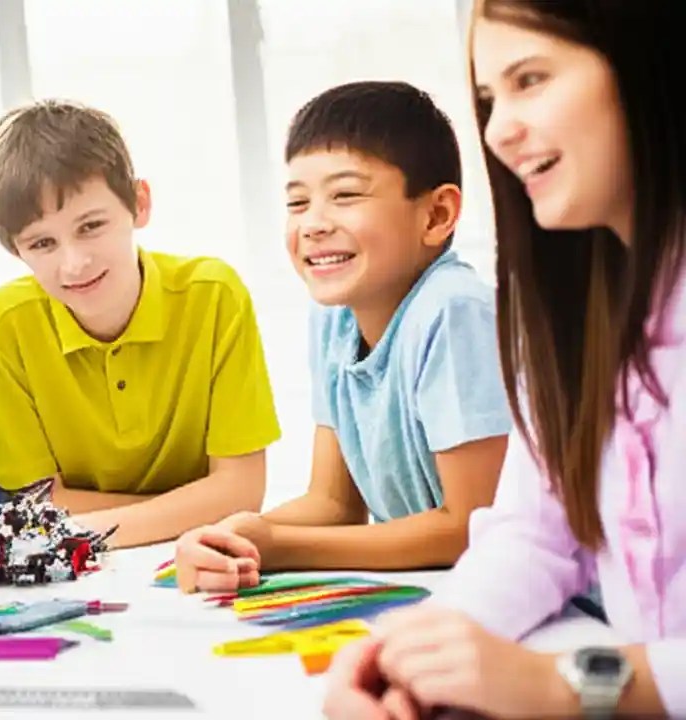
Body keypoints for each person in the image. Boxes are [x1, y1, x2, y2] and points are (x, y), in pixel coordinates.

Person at [324, 1, 686, 718]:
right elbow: (537, 532)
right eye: (489, 98)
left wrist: (566, 685)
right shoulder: (575, 312)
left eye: (531, 80)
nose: (498, 130)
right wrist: (410, 652)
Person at [174, 81, 510, 592]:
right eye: (297, 202)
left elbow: (469, 526)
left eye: (346, 195)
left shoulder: (453, 310)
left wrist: (279, 545)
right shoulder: (335, 319)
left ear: (437, 215)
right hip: (438, 593)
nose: (313, 224)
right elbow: (333, 504)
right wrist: (229, 537)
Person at [0, 99, 281, 548]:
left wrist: (82, 526)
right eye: (42, 243)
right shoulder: (9, 322)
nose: (74, 264)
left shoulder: (215, 295)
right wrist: (196, 506)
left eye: (91, 226)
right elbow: (36, 504)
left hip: (195, 555)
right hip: (95, 568)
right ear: (15, 251)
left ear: (139, 204)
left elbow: (241, 492)